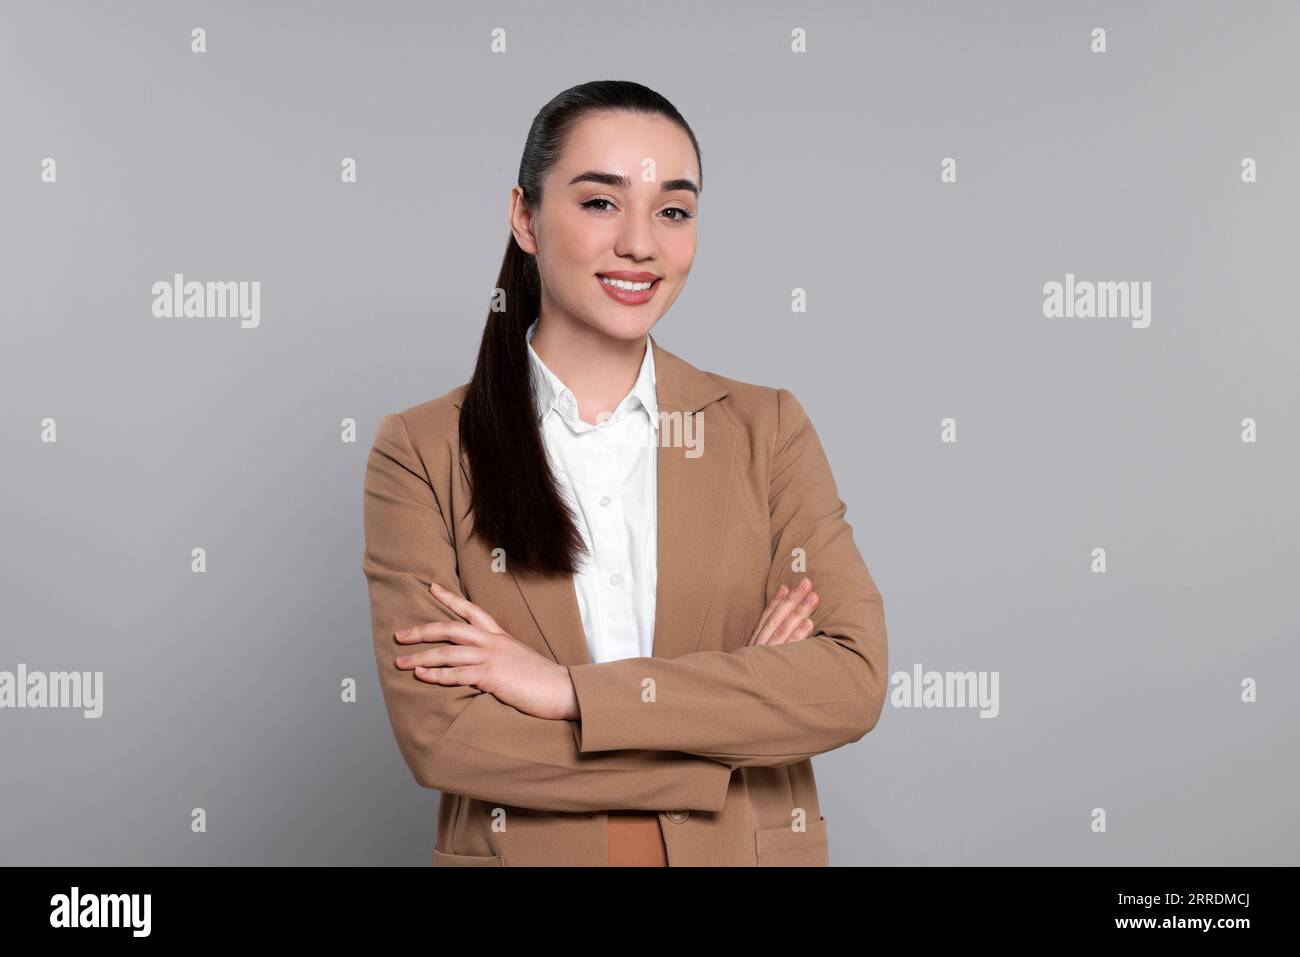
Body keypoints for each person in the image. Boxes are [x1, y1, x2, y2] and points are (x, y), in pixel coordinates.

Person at [361, 79, 888, 867]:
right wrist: (728, 735)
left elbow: (849, 678)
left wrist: (565, 692)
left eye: (673, 211)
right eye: (601, 202)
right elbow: (447, 737)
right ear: (525, 217)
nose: (641, 244)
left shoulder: (767, 429)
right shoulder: (422, 450)